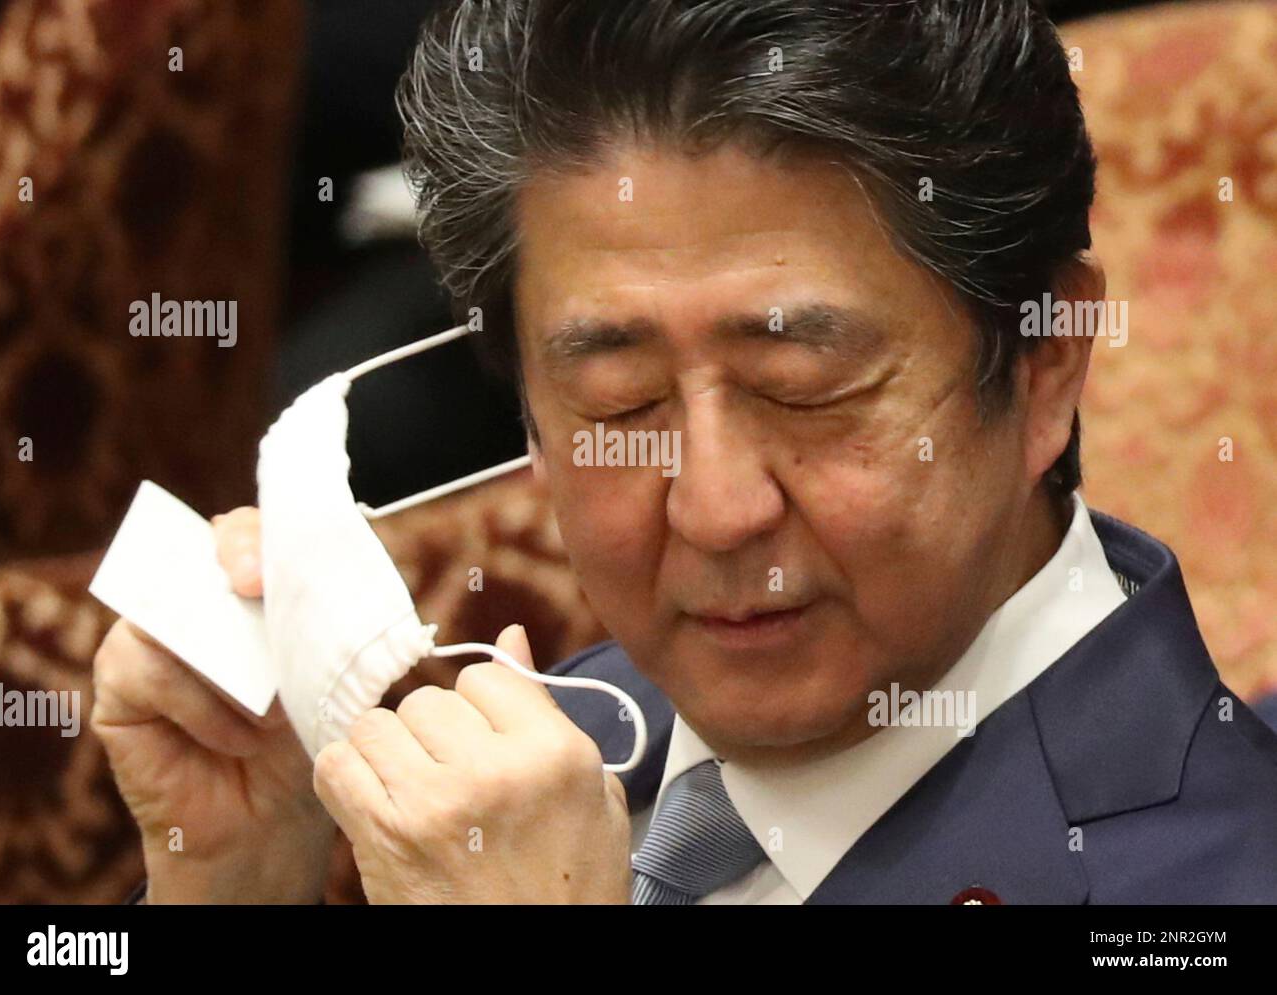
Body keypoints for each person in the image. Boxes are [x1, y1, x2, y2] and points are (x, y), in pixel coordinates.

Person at [92, 0, 1277, 904]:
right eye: (616, 402)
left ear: (1044, 364)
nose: (713, 511)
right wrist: (233, 884)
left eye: (805, 390)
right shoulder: (572, 735)